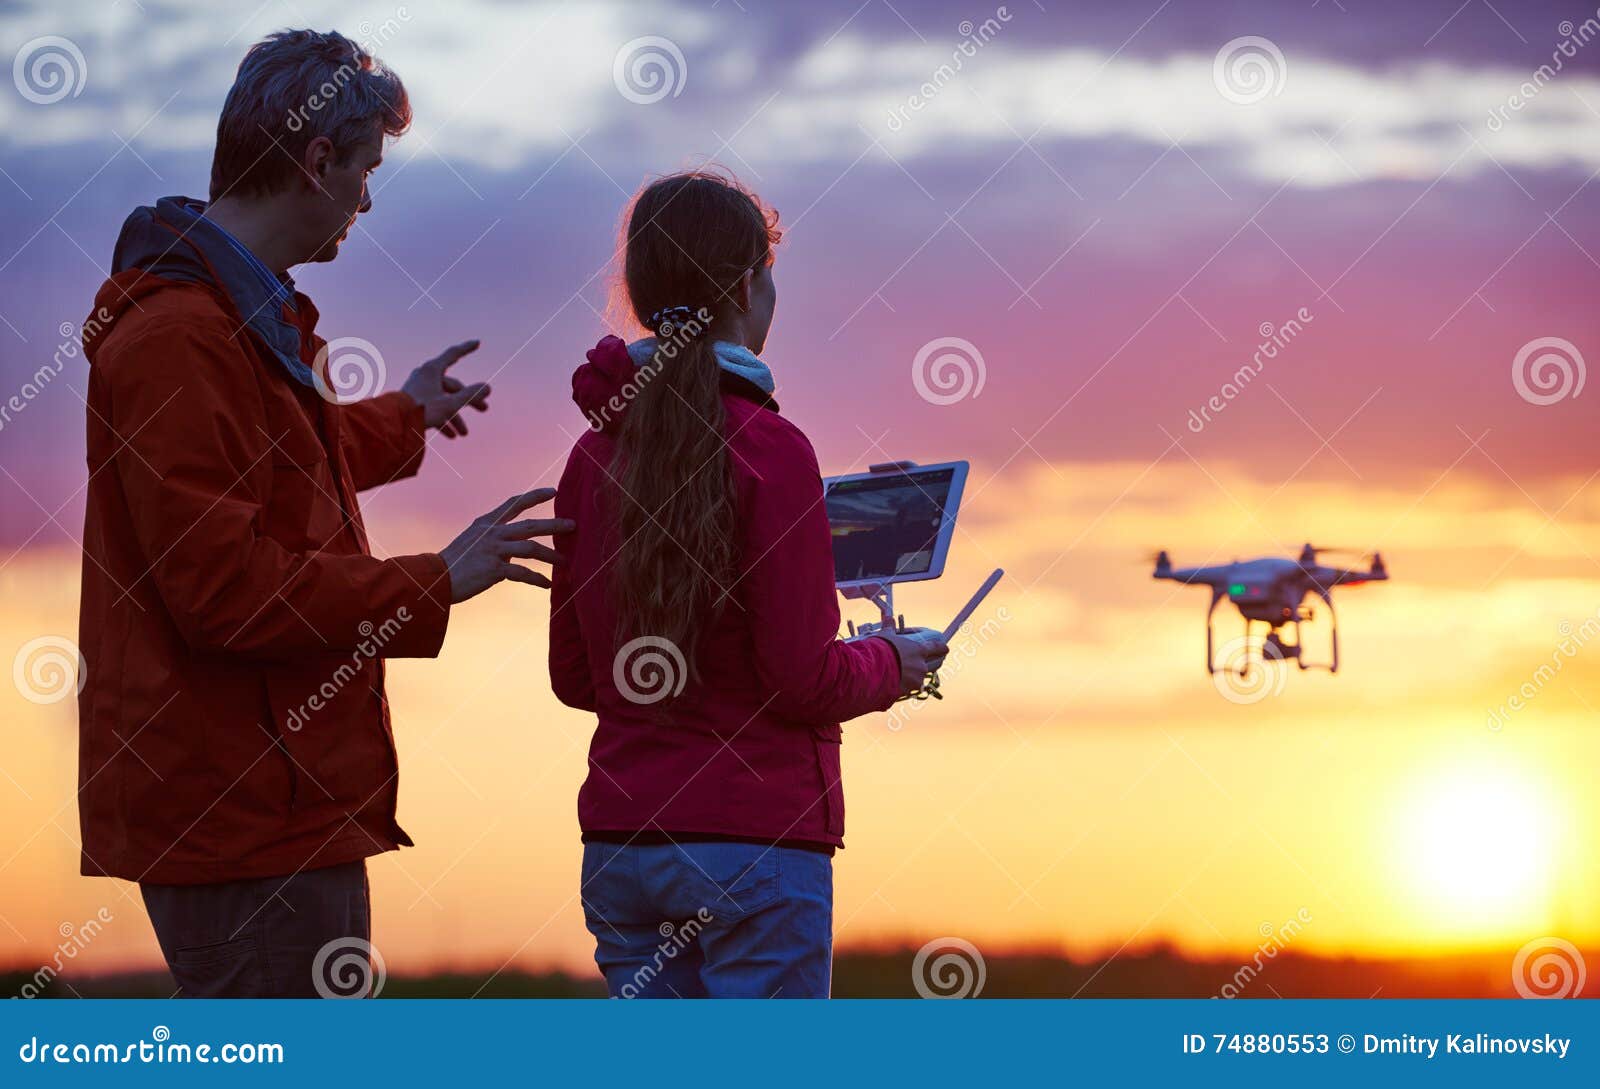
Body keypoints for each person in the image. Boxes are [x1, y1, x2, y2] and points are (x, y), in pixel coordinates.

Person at [76, 30, 570, 998]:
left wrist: (404, 417)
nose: (368, 198)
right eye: (365, 169)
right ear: (316, 160)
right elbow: (224, 590)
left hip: (270, 809)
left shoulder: (226, 317)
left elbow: (269, 469)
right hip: (245, 820)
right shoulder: (180, 336)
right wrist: (436, 580)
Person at [549, 170, 949, 998]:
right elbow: (802, 678)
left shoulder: (591, 458)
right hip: (758, 846)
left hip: (625, 844)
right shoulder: (774, 452)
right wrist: (890, 661)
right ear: (744, 284)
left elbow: (576, 676)